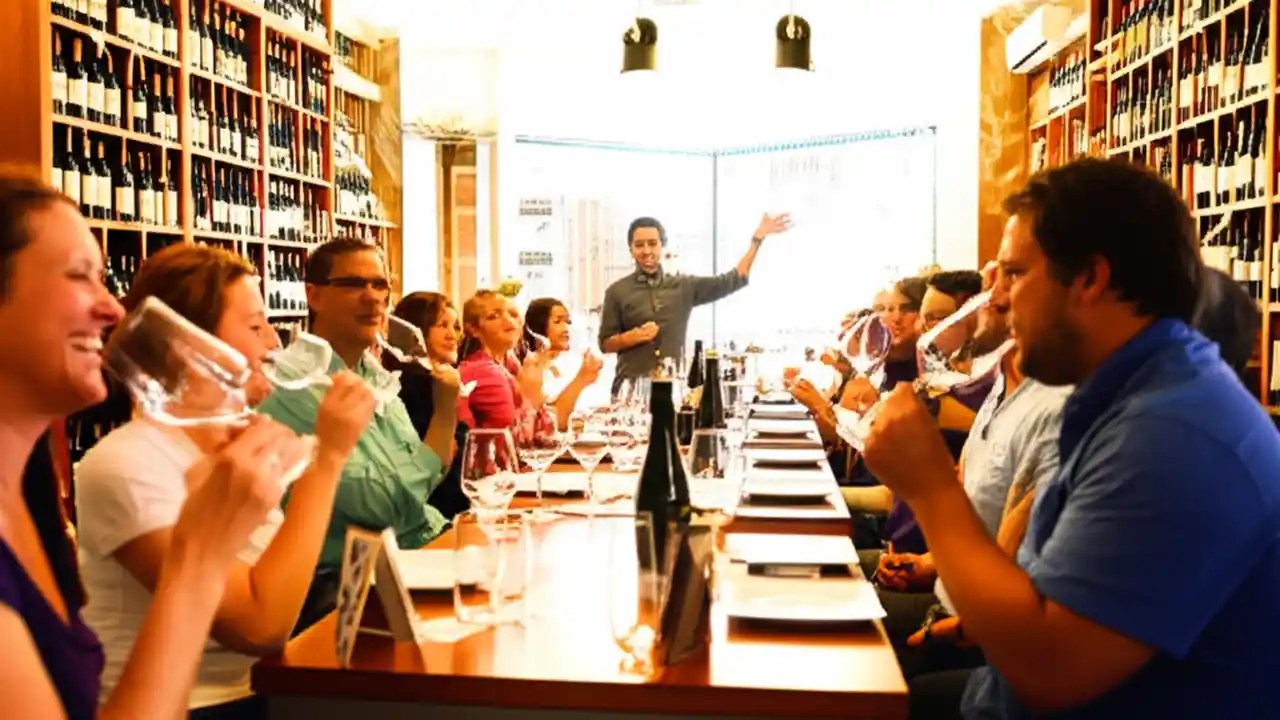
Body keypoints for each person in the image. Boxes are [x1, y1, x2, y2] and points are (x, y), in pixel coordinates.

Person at [864, 158, 1280, 718]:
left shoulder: (1173, 436)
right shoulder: (1135, 399)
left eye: (1013, 274)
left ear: (1089, 278)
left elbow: (1049, 669)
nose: (998, 299)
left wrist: (929, 484)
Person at [0, 172, 296, 719]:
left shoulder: (30, 493)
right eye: (79, 277)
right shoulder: (120, 462)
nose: (114, 310)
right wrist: (198, 558)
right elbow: (259, 623)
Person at [73, 244, 375, 719]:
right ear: (186, 344)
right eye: (256, 326)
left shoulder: (230, 442)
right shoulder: (127, 464)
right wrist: (328, 459)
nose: (274, 343)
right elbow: (260, 625)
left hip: (264, 692)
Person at [258, 239, 458, 628]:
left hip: (420, 561)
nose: (373, 298)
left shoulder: (376, 375)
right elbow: (379, 503)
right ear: (313, 295)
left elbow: (428, 477)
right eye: (353, 284)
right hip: (353, 594)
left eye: (380, 285)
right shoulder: (291, 381)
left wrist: (434, 440)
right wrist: (442, 421)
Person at [599, 213, 791, 392]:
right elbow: (605, 344)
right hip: (629, 391)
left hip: (672, 389)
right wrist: (633, 336)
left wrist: (757, 240)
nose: (647, 251)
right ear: (631, 249)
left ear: (662, 245)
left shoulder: (684, 286)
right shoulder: (617, 291)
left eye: (652, 243)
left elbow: (734, 279)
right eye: (639, 245)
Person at [385, 291, 469, 518]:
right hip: (434, 515)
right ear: (417, 330)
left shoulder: (440, 380)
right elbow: (436, 466)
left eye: (456, 326)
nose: (453, 335)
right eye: (442, 325)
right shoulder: (414, 383)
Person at [457, 290, 554, 442]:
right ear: (474, 329)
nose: (509, 322)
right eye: (494, 316)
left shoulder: (509, 363)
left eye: (513, 314)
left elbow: (546, 430)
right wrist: (531, 398)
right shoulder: (483, 370)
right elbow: (513, 444)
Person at [522, 297, 604, 428]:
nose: (566, 328)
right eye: (558, 321)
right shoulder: (531, 367)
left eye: (568, 322)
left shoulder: (574, 360)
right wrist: (582, 379)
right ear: (537, 327)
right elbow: (552, 422)